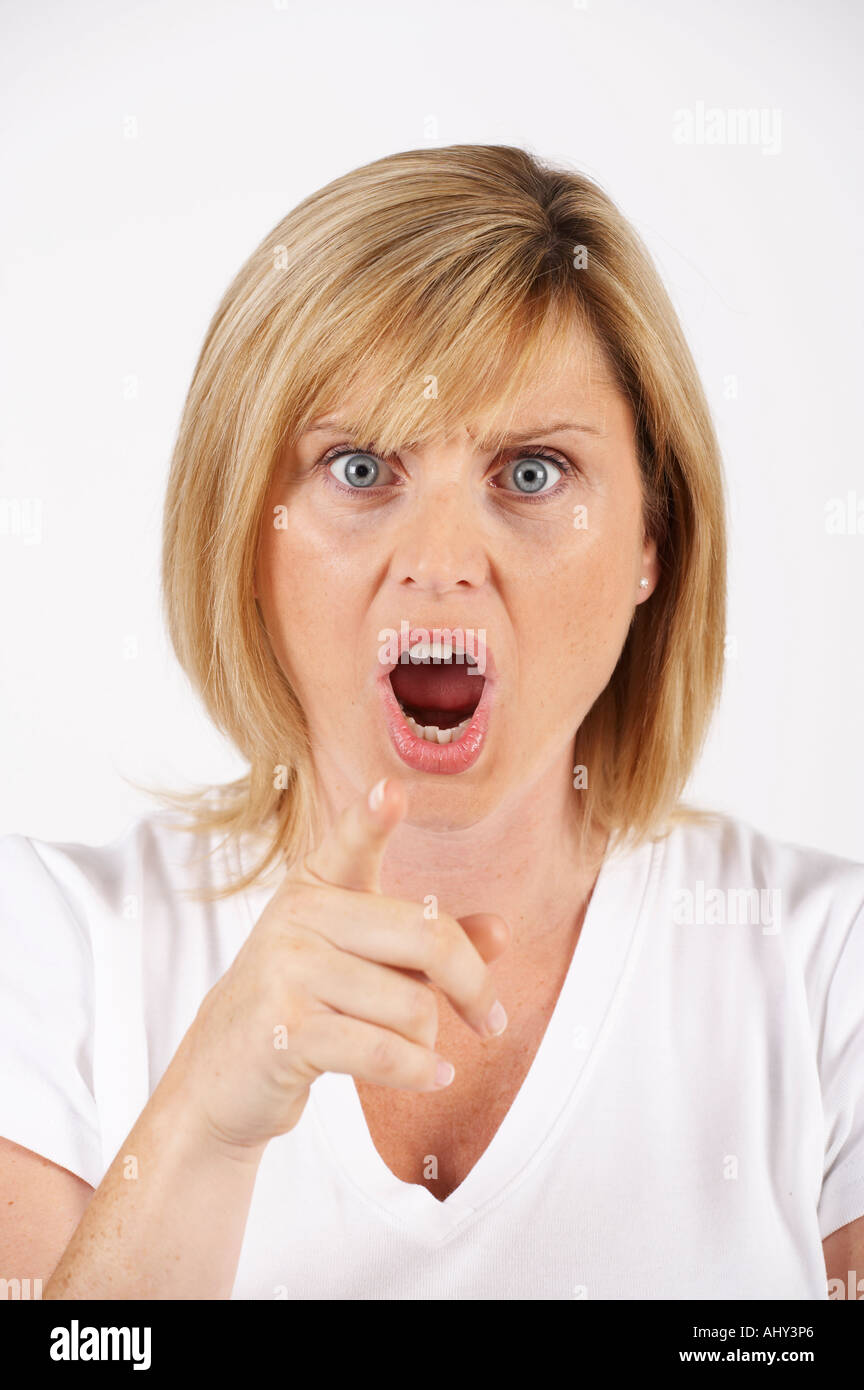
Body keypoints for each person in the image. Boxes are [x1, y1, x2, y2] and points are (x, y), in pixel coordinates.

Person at [1, 145, 862, 1300]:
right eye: (359, 468)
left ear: (655, 538)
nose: (444, 563)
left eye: (534, 472)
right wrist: (202, 1121)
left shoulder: (826, 973)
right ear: (244, 535)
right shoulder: (53, 954)